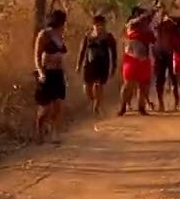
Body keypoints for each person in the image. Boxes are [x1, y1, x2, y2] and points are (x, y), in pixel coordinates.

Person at [33, 9, 69, 142]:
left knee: (58, 104)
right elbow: (37, 55)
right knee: (45, 108)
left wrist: (64, 74)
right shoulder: (44, 35)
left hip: (58, 73)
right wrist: (41, 72)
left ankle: (55, 133)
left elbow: (62, 56)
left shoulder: (60, 35)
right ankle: (39, 130)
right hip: (46, 73)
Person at [75, 14, 117, 116]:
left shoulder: (109, 37)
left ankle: (97, 106)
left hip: (103, 64)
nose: (99, 27)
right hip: (89, 64)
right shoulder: (88, 35)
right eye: (97, 24)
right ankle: (93, 101)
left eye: (101, 24)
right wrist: (78, 65)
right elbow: (82, 50)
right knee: (87, 88)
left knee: (99, 85)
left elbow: (114, 53)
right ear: (93, 25)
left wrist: (113, 67)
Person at [118, 6, 155, 116]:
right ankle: (123, 107)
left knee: (143, 85)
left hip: (144, 58)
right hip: (131, 58)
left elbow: (153, 40)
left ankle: (141, 107)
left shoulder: (147, 28)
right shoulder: (131, 24)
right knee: (128, 84)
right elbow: (138, 21)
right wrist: (150, 12)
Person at [152, 15, 179, 112]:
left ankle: (177, 102)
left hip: (171, 53)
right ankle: (161, 103)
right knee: (159, 80)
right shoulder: (156, 21)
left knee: (175, 79)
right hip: (159, 54)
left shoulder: (172, 22)